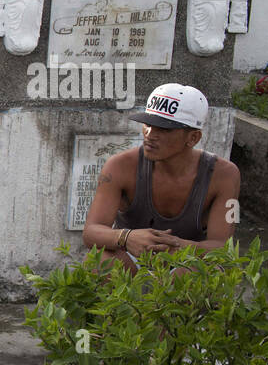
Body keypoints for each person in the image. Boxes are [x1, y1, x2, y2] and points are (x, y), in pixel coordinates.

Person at [82, 83, 240, 272]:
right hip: (131, 258)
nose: (150, 134)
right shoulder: (119, 166)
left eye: (163, 129)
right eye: (148, 124)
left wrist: (180, 247)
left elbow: (222, 247)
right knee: (100, 262)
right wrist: (126, 237)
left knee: (203, 273)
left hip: (185, 263)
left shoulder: (224, 174)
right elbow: (91, 232)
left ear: (193, 138)